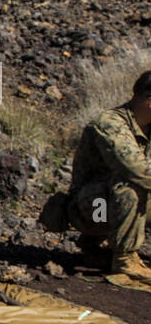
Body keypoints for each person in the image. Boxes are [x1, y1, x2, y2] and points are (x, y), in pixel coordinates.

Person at [65, 70, 151, 283]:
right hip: (93, 211)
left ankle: (95, 247)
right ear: (149, 101)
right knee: (130, 186)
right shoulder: (110, 124)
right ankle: (124, 259)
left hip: (112, 205)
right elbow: (138, 171)